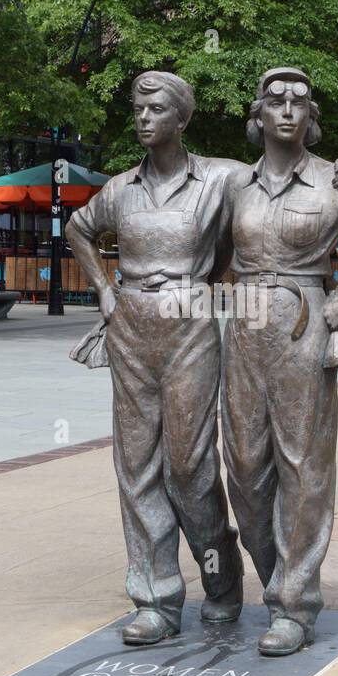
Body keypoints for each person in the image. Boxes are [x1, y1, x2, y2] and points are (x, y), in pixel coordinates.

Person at [221, 68, 338, 656]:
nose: (286, 110)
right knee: (247, 470)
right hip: (242, 323)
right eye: (275, 101)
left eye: (298, 103)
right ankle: (274, 574)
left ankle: (295, 604)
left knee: (303, 465)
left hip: (305, 321)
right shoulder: (233, 184)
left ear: (311, 118)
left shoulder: (337, 181)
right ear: (257, 116)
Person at [64, 71, 245, 645]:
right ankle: (156, 597)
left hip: (190, 329)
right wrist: (103, 289)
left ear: (182, 118)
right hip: (131, 329)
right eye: (137, 108)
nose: (143, 117)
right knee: (136, 465)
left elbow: (282, 178)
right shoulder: (120, 188)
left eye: (156, 109)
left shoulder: (220, 178)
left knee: (189, 467)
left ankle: (221, 576)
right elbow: (79, 228)